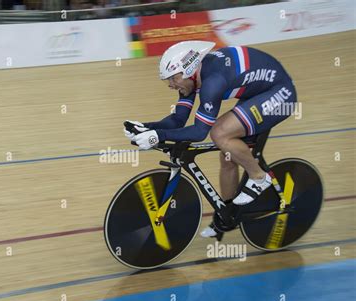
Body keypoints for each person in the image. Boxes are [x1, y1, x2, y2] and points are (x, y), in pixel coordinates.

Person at [124, 41, 297, 238]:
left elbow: (199, 132)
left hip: (280, 93)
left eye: (172, 79)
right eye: (168, 81)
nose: (171, 85)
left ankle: (259, 177)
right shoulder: (192, 79)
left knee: (220, 133)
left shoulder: (212, 83)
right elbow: (178, 120)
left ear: (188, 70)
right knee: (228, 156)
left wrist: (158, 136)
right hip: (258, 93)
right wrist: (146, 128)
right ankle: (228, 215)